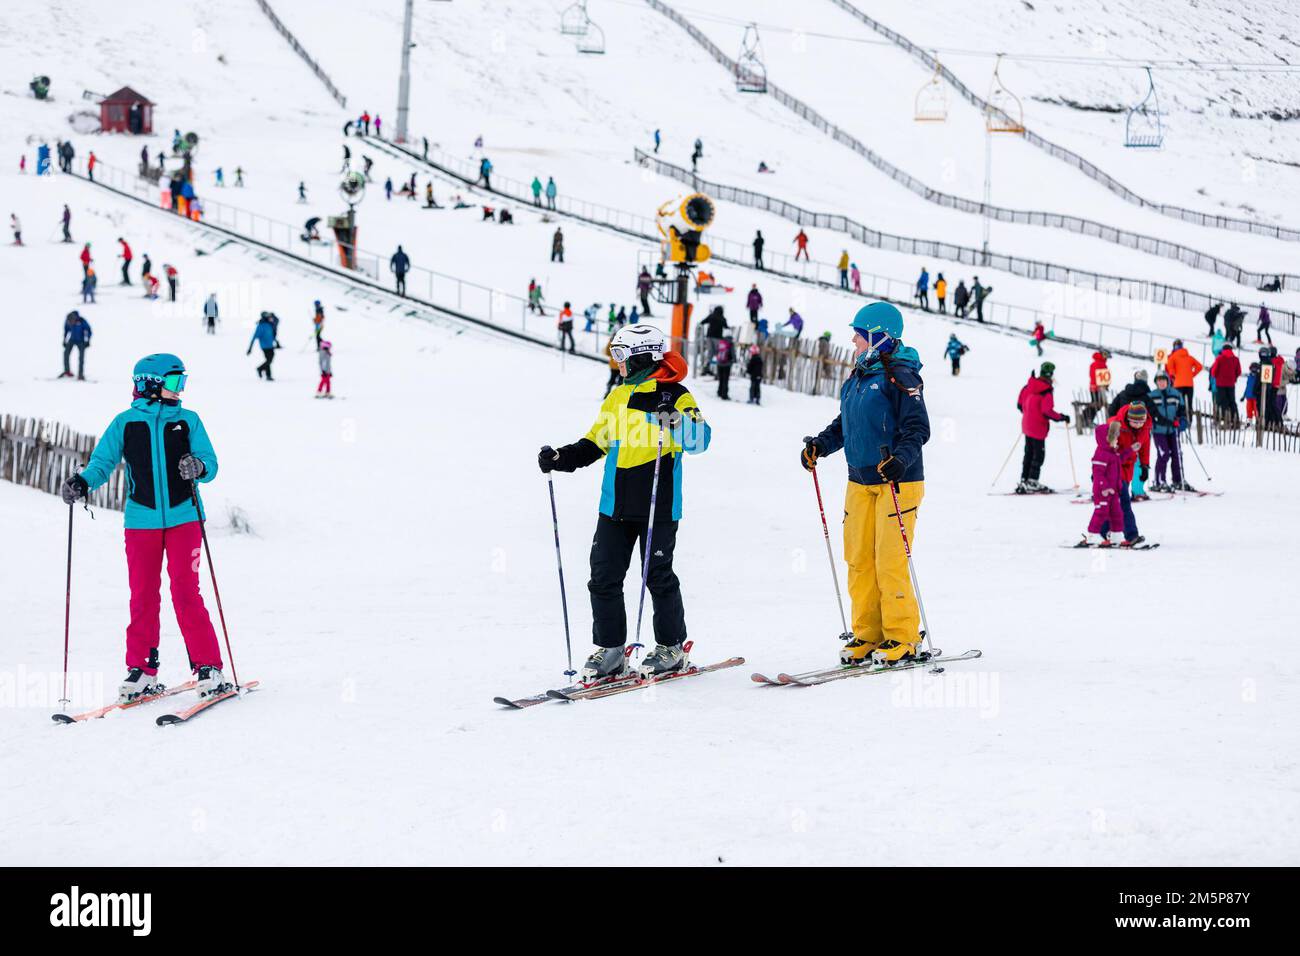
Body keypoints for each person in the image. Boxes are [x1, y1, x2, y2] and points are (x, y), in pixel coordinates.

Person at [537, 325, 711, 682]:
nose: (616, 363)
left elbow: (699, 440)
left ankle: (671, 647)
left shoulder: (675, 395)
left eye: (620, 355)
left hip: (656, 506)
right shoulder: (617, 397)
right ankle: (612, 650)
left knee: (657, 577)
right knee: (602, 577)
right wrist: (561, 457)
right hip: (614, 505)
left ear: (641, 356)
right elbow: (596, 442)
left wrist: (672, 416)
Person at [59, 354, 229, 702]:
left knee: (185, 593)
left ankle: (208, 667)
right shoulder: (125, 423)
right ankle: (142, 671)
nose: (179, 390)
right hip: (141, 522)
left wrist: (198, 466)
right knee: (143, 595)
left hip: (185, 517)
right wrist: (82, 482)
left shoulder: (187, 421)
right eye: (173, 383)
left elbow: (210, 462)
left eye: (181, 383)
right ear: (151, 384)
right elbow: (102, 463)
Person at [801, 302, 930, 664]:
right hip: (858, 480)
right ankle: (868, 633)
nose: (853, 338)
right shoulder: (859, 375)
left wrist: (900, 460)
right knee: (859, 559)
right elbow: (846, 423)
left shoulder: (901, 376)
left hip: (896, 481)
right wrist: (820, 446)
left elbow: (918, 428)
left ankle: (902, 636)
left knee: (889, 560)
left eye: (859, 332)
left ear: (878, 336)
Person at [1016, 362, 1069, 494]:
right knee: (1038, 455)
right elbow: (1047, 411)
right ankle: (1032, 481)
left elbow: (1019, 404)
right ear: (1051, 374)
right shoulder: (1046, 391)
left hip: (1027, 425)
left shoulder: (1028, 386)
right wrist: (1062, 417)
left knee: (1028, 452)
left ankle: (1025, 478)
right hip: (1038, 427)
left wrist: (1029, 413)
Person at [1105, 403, 1151, 546]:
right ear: (1128, 419)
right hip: (1113, 468)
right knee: (1124, 502)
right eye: (1135, 422)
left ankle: (1102, 533)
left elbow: (1145, 447)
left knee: (1113, 504)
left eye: (1140, 422)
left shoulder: (1145, 428)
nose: (1138, 425)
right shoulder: (1116, 427)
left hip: (1127, 468)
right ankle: (1131, 535)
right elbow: (1105, 449)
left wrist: (1144, 465)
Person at [1080, 420, 1130, 548]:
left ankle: (1116, 534)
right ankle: (1092, 534)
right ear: (1107, 438)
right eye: (1115, 437)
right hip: (1102, 491)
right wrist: (1105, 487)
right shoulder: (1101, 454)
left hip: (1113, 491)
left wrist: (1130, 450)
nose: (1118, 439)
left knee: (1116, 513)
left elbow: (1119, 461)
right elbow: (1098, 474)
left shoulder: (1112, 453)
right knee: (1101, 512)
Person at [1147, 371, 1190, 491]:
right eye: (1158, 380)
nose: (1161, 382)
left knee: (1177, 453)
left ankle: (1178, 480)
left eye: (1163, 380)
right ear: (1156, 382)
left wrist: (1182, 420)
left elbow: (1181, 410)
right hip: (1158, 430)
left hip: (1173, 430)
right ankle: (1159, 480)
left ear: (1168, 381)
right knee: (1164, 453)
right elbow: (1150, 413)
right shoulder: (1151, 396)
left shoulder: (1176, 394)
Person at [1164, 338, 1203, 421]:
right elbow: (1199, 366)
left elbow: (1169, 368)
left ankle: (1179, 420)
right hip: (1189, 384)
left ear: (1174, 347)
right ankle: (1190, 420)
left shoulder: (1172, 357)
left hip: (1178, 384)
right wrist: (1192, 375)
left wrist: (1173, 376)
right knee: (1189, 403)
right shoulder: (1189, 357)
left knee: (1179, 403)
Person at [1210, 343, 1242, 425]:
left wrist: (1218, 377)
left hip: (1220, 384)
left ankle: (1223, 419)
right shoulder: (1236, 359)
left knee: (1221, 401)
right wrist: (1234, 378)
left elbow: (1213, 372)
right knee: (1232, 402)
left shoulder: (1219, 358)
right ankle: (1235, 419)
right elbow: (1239, 372)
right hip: (1231, 384)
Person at [247, 312, 280, 380]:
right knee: (269, 359)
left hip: (270, 345)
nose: (269, 317)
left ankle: (267, 374)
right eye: (267, 316)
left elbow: (271, 334)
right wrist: (250, 348)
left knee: (269, 360)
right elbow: (254, 338)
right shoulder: (260, 326)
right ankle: (261, 369)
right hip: (264, 346)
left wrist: (276, 342)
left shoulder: (269, 324)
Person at [61, 311, 92, 380]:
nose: (71, 323)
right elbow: (66, 330)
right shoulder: (68, 321)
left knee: (81, 358)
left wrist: (88, 340)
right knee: (66, 353)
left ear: (75, 319)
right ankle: (67, 371)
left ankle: (80, 375)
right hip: (72, 339)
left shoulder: (82, 321)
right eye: (69, 322)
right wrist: (64, 340)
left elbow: (89, 330)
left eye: (72, 322)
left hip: (81, 341)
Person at [1088, 350, 1110, 416]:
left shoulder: (1102, 364)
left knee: (1097, 404)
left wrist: (1106, 384)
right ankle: (1086, 417)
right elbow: (1093, 375)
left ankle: (1086, 418)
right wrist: (1102, 384)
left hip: (1097, 386)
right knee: (1097, 404)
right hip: (1097, 387)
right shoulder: (1098, 364)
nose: (1106, 357)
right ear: (1101, 355)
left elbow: (1104, 376)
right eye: (1105, 354)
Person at [714, 335, 734, 400]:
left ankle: (719, 392)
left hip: (719, 364)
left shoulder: (721, 342)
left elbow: (716, 351)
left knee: (721, 379)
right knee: (725, 380)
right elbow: (733, 353)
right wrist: (733, 360)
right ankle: (724, 395)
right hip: (727, 364)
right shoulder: (730, 344)